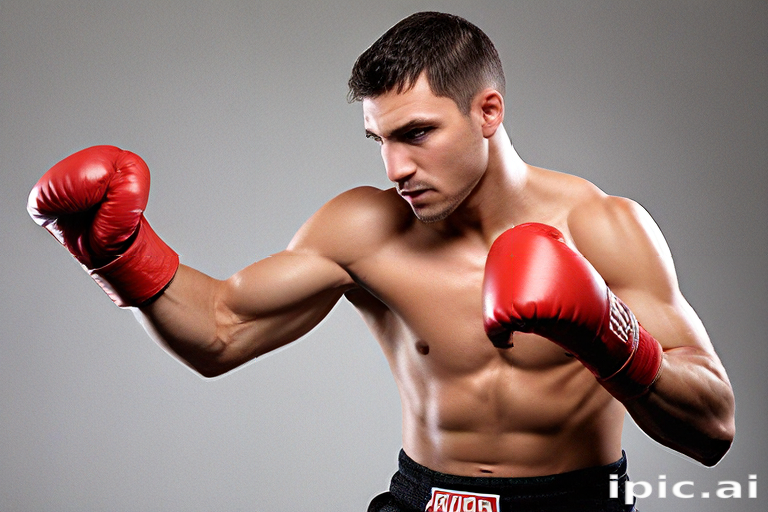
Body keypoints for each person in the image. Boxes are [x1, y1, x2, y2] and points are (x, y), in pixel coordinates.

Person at [27, 11, 734, 512]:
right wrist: (122, 256)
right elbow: (220, 331)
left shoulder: (603, 227)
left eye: (418, 133)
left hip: (575, 504)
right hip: (423, 500)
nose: (396, 165)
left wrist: (606, 335)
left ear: (488, 112)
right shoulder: (366, 228)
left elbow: (712, 432)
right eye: (380, 139)